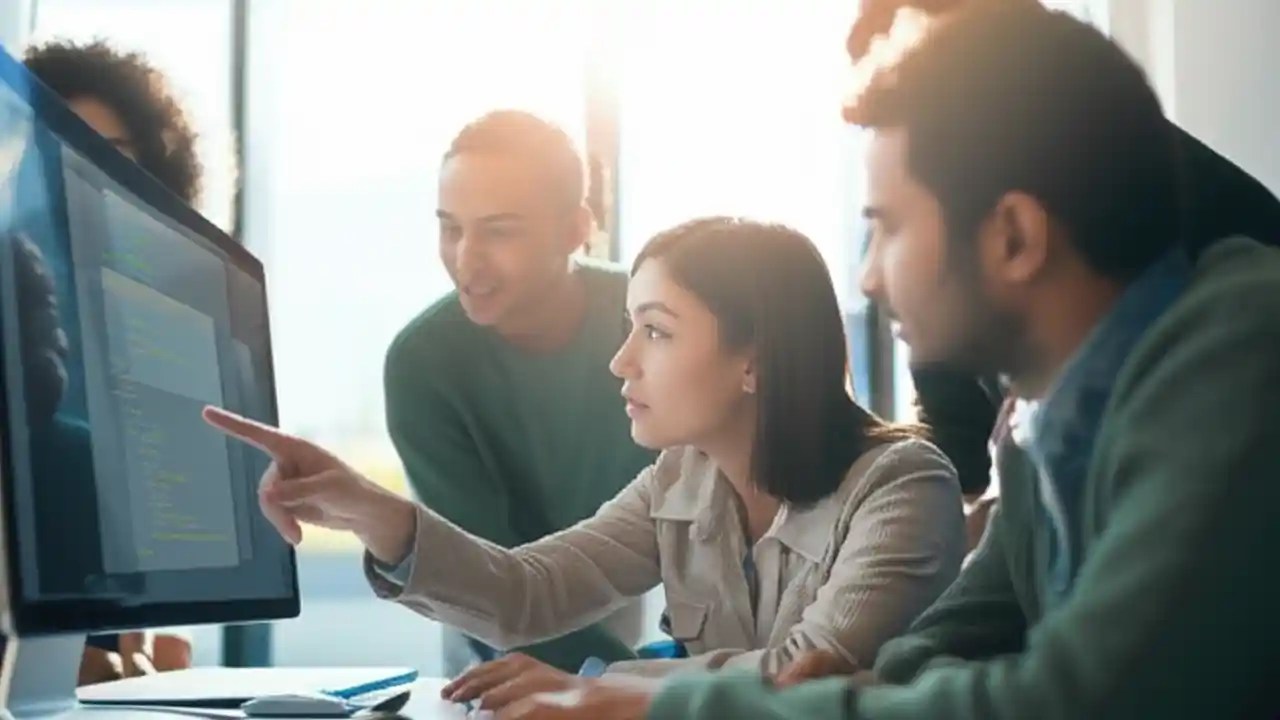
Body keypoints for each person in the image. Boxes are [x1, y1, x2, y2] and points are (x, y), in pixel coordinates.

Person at [486, 5, 1280, 719]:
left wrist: (677, 714)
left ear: (1013, 238)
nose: (867, 276)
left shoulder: (1239, 357)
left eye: (888, 229)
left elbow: (1077, 698)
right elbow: (929, 654)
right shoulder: (1041, 423)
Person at [204, 216, 968, 711]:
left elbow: (810, 674)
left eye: (656, 332)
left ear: (754, 361)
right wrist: (370, 510)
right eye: (628, 327)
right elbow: (529, 594)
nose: (621, 362)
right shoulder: (682, 478)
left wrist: (596, 691)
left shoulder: (902, 484)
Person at [382, 109, 656, 674]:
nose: (466, 260)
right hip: (488, 608)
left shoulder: (653, 322)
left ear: (576, 230)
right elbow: (480, 581)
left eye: (499, 231)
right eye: (451, 228)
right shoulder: (421, 365)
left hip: (623, 593)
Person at [16, 38, 202, 683]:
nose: (72, 177)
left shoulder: (159, 337)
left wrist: (129, 655)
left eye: (104, 159)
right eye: (47, 151)